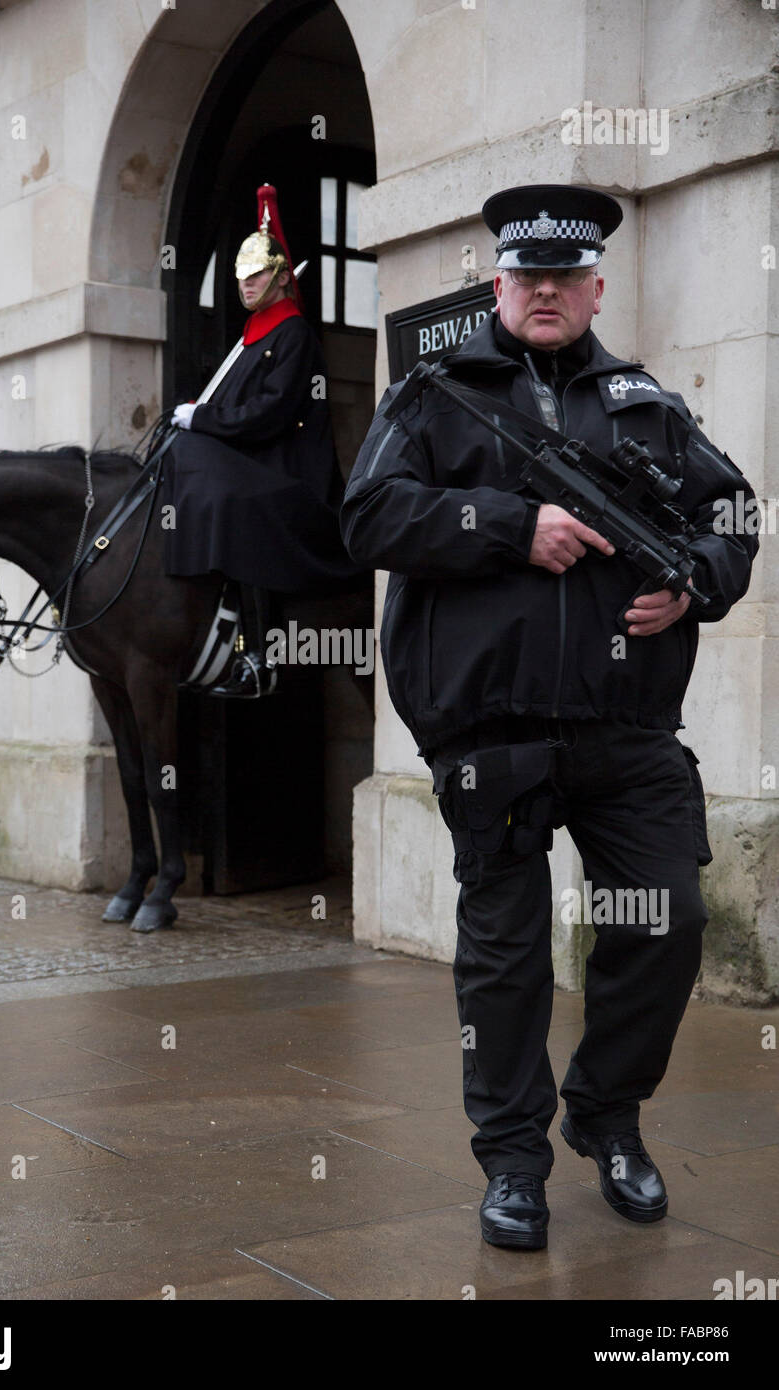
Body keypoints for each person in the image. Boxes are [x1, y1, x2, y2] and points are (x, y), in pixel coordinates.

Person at [340, 183, 759, 1250]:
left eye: (565, 277)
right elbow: (367, 514)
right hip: (491, 732)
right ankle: (514, 1160)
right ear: (498, 283)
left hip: (626, 730)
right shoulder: (434, 393)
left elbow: (733, 510)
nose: (545, 292)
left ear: (593, 288)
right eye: (527, 275)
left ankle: (607, 1119)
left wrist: (697, 580)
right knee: (506, 955)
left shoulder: (643, 398)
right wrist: (507, 522)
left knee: (666, 918)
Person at [164, 183, 359, 698]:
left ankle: (259, 651)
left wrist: (201, 419)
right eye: (241, 277)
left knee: (230, 497)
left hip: (290, 472)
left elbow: (270, 413)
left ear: (278, 277)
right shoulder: (253, 336)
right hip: (255, 460)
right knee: (184, 462)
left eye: (257, 275)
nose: (247, 284)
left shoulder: (292, 335)